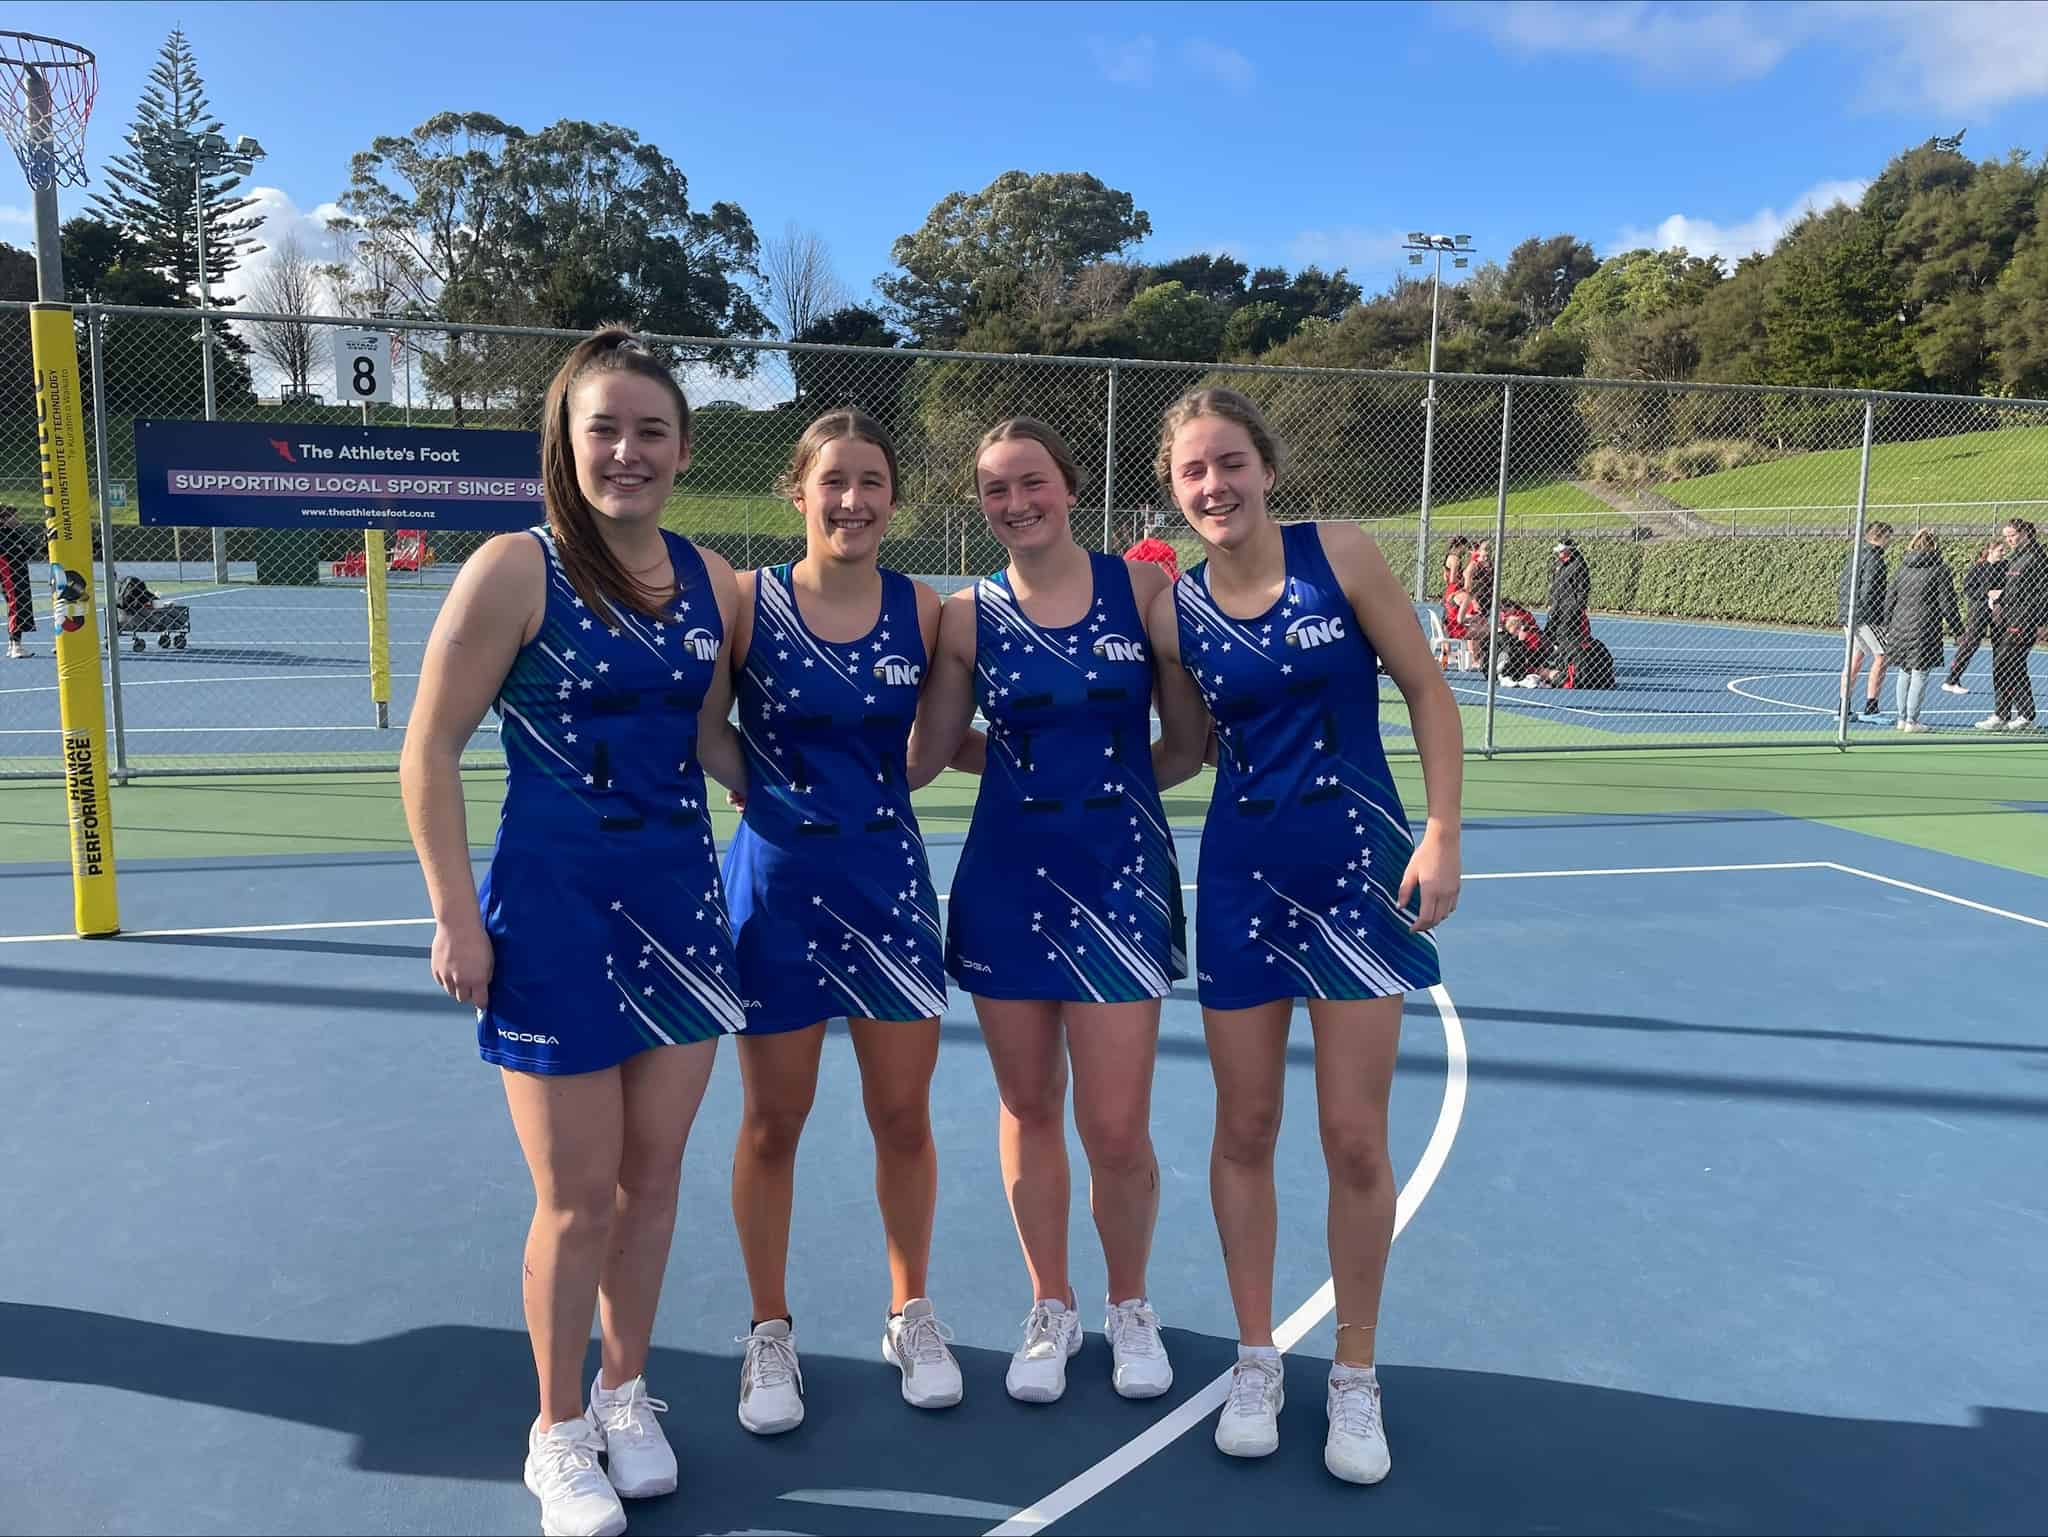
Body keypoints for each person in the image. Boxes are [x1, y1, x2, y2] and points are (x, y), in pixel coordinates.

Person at [400, 326, 747, 1537]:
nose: (627, 450)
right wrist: (455, 911)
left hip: (683, 913)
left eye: (651, 429)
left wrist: (831, 793)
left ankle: (624, 1391)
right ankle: (556, 1431)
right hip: (551, 915)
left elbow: (709, 740)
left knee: (651, 1182)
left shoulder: (713, 580)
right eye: (603, 426)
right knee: (576, 1200)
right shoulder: (516, 567)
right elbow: (428, 747)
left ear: (684, 446)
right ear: (566, 440)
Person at [1147, 388, 1462, 1487]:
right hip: (1241, 880)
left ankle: (1354, 1374)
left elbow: (1425, 688)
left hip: (1356, 876)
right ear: (1174, 488)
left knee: (1353, 1138)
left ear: (1264, 467)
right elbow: (1180, 752)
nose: (1212, 486)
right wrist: (1035, 777)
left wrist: (1440, 830)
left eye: (1228, 462)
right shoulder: (1176, 611)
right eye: (1192, 472)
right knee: (1243, 1127)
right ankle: (1252, 1358)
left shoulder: (1342, 554)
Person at [907, 417, 1196, 1407]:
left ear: (1070, 486)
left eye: (1031, 481)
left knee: (1115, 1126)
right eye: (994, 489)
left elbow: (1185, 742)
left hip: (1116, 882)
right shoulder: (966, 614)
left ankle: (1128, 1304)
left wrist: (1106, 790)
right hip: (1005, 882)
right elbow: (934, 749)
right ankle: (1052, 1304)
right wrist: (787, 777)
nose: (1015, 502)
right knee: (1028, 1108)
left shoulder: (1142, 589)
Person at [720, 409, 962, 1434]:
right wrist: (770, 791)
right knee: (773, 1121)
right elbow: (699, 726)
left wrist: (863, 797)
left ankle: (909, 1310)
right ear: (798, 492)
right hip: (774, 891)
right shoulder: (745, 602)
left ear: (893, 499)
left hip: (887, 889)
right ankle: (767, 1330)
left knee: (901, 1118)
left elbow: (935, 746)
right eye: (833, 482)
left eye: (871, 482)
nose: (852, 501)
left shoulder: (928, 611)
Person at [1880, 529, 1961, 733]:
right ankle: (1911, 720)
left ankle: (1901, 718)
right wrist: (1958, 629)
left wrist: (1887, 624)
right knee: (1920, 673)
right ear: (1935, 545)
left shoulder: (1902, 569)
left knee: (1904, 671)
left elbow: (1890, 598)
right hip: (1925, 627)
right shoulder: (1940, 570)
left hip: (1900, 626)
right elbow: (1947, 603)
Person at [1979, 517, 2045, 732]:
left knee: (2012, 663)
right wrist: (2001, 596)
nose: (2009, 540)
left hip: (2024, 620)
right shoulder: (2016, 557)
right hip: (2008, 618)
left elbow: (2042, 592)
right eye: (2006, 537)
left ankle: (2026, 714)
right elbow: (2015, 589)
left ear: (2025, 533)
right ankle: (2002, 713)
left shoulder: (2036, 558)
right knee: (2002, 664)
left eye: (2013, 535)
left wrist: (2042, 621)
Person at [1839, 522, 1894, 722]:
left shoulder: (1856, 555)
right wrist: (1881, 618)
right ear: (1882, 537)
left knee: (1856, 656)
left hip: (1849, 613)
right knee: (1882, 655)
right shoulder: (1875, 559)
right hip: (1864, 616)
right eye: (1889, 537)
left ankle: (1844, 707)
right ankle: (1872, 707)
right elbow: (1870, 591)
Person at [1942, 538, 2008, 695]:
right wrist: (1987, 594)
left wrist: (2000, 595)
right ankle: (1952, 679)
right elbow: (1968, 589)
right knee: (1970, 644)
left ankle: (2002, 683)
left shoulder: (2004, 567)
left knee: (2000, 646)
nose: (2003, 553)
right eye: (2000, 550)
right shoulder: (1978, 568)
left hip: (1998, 612)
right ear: (1990, 550)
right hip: (1978, 611)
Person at [1545, 538, 1592, 674]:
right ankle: (1554, 659)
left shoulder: (1579, 565)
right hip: (1557, 605)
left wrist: (1578, 607)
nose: (1559, 554)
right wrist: (1551, 603)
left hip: (1570, 606)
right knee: (1550, 632)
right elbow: (1554, 584)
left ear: (1568, 551)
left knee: (1565, 634)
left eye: (1561, 551)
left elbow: (1583, 588)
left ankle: (1565, 662)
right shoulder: (1559, 564)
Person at [0, 503, 36, 658]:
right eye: (15, 516)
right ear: (4, 519)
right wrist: (19, 549)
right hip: (10, 574)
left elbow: (30, 549)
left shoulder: (13, 533)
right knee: (16, 605)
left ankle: (12, 644)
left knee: (21, 605)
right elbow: (14, 551)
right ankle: (16, 645)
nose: (18, 519)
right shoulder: (2, 535)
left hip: (20, 573)